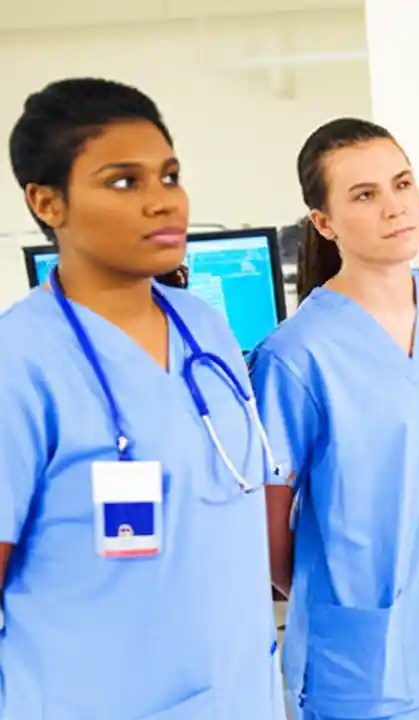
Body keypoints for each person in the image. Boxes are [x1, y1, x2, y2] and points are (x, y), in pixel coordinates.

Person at [0, 78, 281, 718]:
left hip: (238, 693)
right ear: (47, 202)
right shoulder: (19, 361)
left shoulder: (203, 327)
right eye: (124, 182)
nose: (163, 201)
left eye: (170, 176)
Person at [248, 118, 419, 720]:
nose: (395, 207)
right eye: (364, 195)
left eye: (402, 183)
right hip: (364, 661)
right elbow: (266, 526)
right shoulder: (297, 355)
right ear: (324, 222)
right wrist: (343, 609)